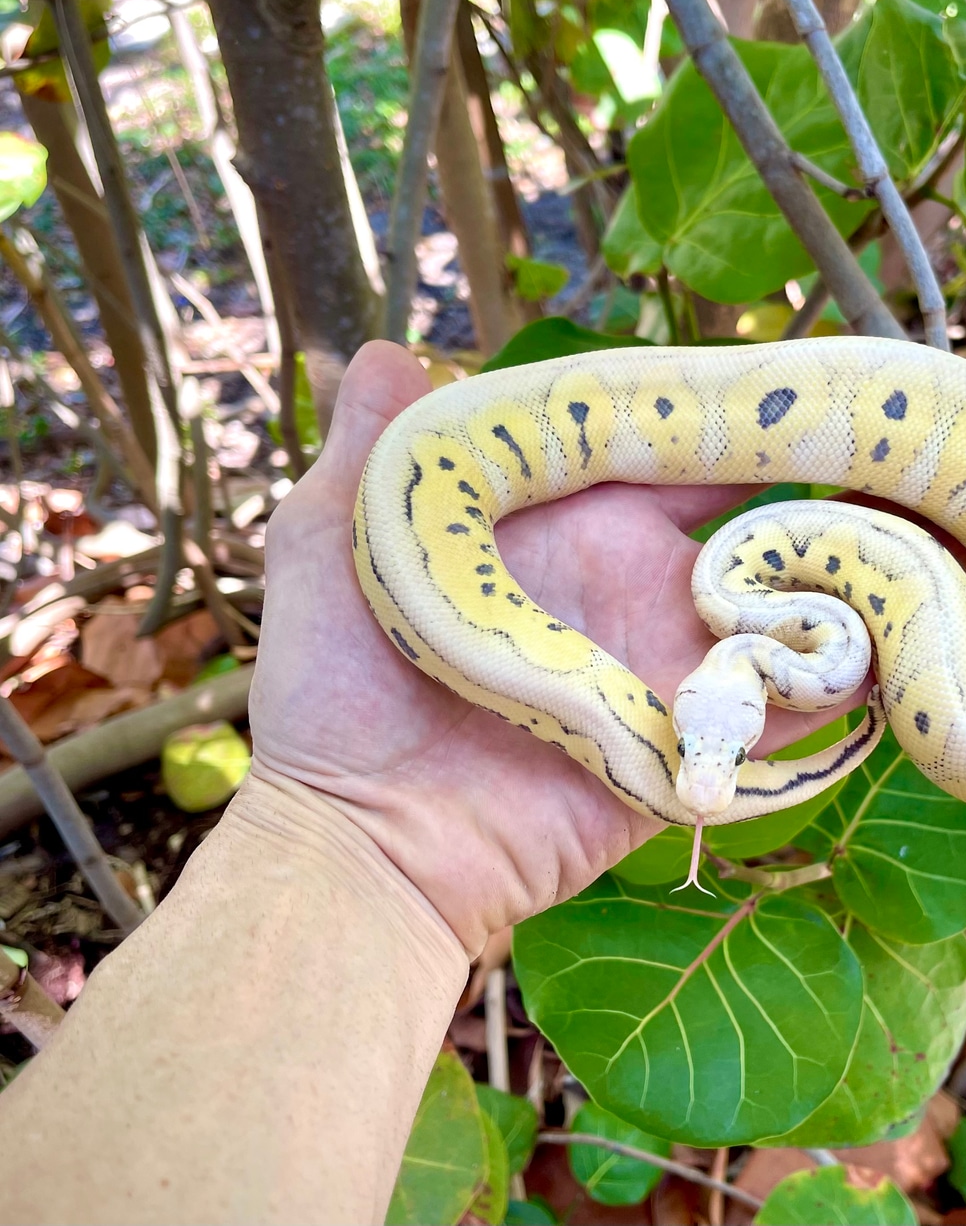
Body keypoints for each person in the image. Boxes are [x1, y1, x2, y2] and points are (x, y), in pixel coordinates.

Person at [0, 342, 861, 1224]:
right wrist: (353, 832)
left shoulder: (727, 660)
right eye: (694, 743)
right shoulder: (731, 639)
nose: (700, 784)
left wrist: (353, 841)